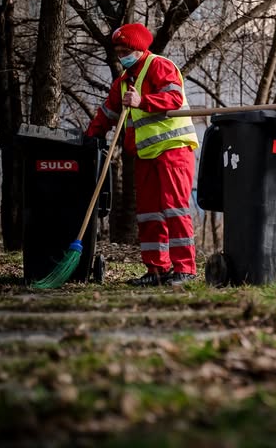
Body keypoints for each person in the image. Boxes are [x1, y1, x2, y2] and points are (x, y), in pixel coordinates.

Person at [85, 23, 200, 286]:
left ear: (139, 49)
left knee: (175, 209)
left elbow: (173, 98)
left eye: (125, 50)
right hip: (146, 154)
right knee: (148, 214)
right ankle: (156, 270)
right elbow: (107, 114)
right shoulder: (124, 82)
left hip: (173, 149)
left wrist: (143, 102)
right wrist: (90, 137)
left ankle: (185, 269)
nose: (121, 55)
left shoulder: (160, 66)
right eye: (118, 50)